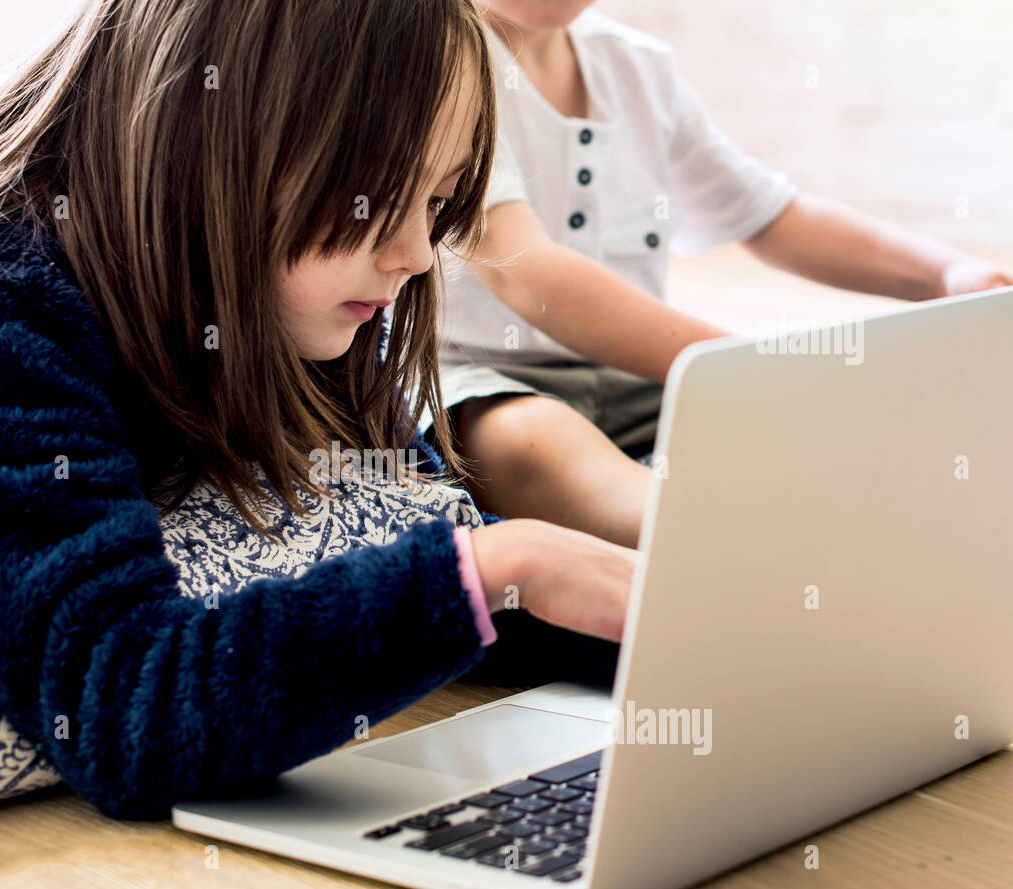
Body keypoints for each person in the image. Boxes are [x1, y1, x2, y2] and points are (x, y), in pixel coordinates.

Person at [0, 0, 639, 820]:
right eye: (372, 197)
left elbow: (433, 551)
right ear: (208, 140)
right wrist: (503, 562)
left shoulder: (282, 290)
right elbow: (122, 713)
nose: (413, 251)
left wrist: (711, 635)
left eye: (434, 201)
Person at [425, 0, 1013, 548]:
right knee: (534, 443)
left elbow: (768, 211)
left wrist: (947, 272)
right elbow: (528, 273)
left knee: (807, 439)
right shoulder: (442, 62)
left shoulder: (634, 65)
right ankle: (715, 542)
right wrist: (744, 365)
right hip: (483, 381)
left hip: (635, 379)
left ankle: (859, 523)